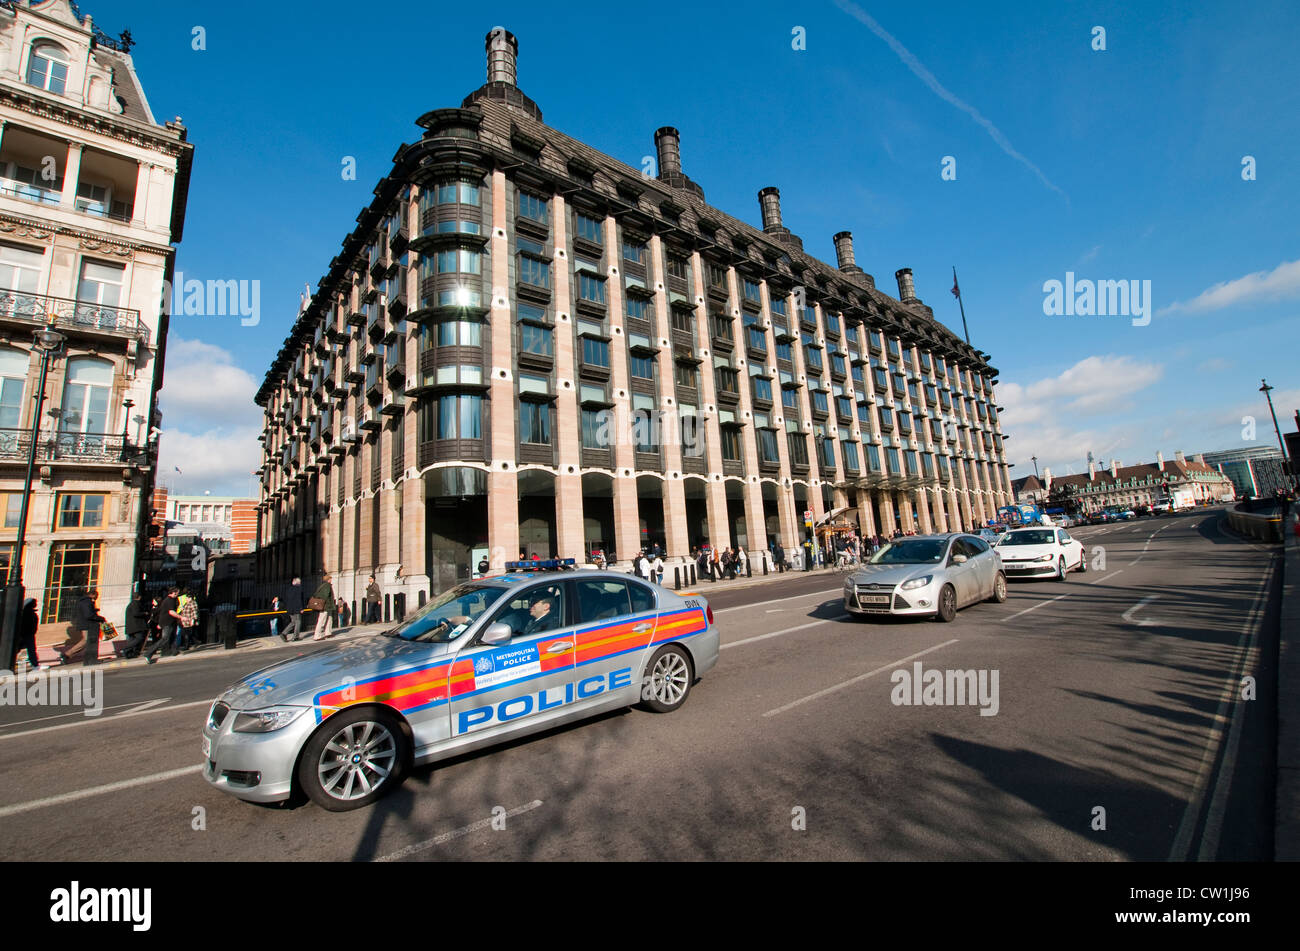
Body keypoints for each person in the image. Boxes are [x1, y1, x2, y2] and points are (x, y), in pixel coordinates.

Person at [144, 587, 183, 664]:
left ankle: (172, 651)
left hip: (169, 622)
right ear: (174, 593)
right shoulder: (169, 600)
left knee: (171, 637)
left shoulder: (168, 600)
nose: (178, 595)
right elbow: (171, 612)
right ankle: (148, 653)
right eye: (177, 593)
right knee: (165, 638)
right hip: (167, 622)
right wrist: (181, 617)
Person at [118, 592, 154, 658]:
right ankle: (125, 649)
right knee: (139, 638)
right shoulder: (135, 603)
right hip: (136, 626)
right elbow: (136, 613)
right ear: (139, 597)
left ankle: (129, 654)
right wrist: (145, 613)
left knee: (132, 640)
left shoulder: (131, 604)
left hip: (131, 626)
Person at [13, 597, 39, 671]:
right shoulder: (28, 613)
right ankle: (35, 665)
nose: (35, 604)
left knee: (17, 650)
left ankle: (35, 664)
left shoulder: (25, 613)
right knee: (31, 650)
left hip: (24, 634)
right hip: (27, 635)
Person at [311, 573, 337, 641]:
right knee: (322, 620)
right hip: (326, 606)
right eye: (331, 578)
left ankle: (328, 633)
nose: (331, 580)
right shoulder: (327, 586)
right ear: (328, 579)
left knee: (329, 618)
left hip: (327, 606)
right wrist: (326, 603)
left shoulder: (322, 585)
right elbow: (325, 596)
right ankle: (317, 635)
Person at [279, 577, 306, 642]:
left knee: (293, 621)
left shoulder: (289, 589)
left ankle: (284, 633)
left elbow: (286, 599)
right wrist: (301, 608)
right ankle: (295, 637)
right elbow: (299, 600)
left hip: (290, 608)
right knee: (298, 621)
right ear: (298, 583)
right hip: (296, 608)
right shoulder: (299, 589)